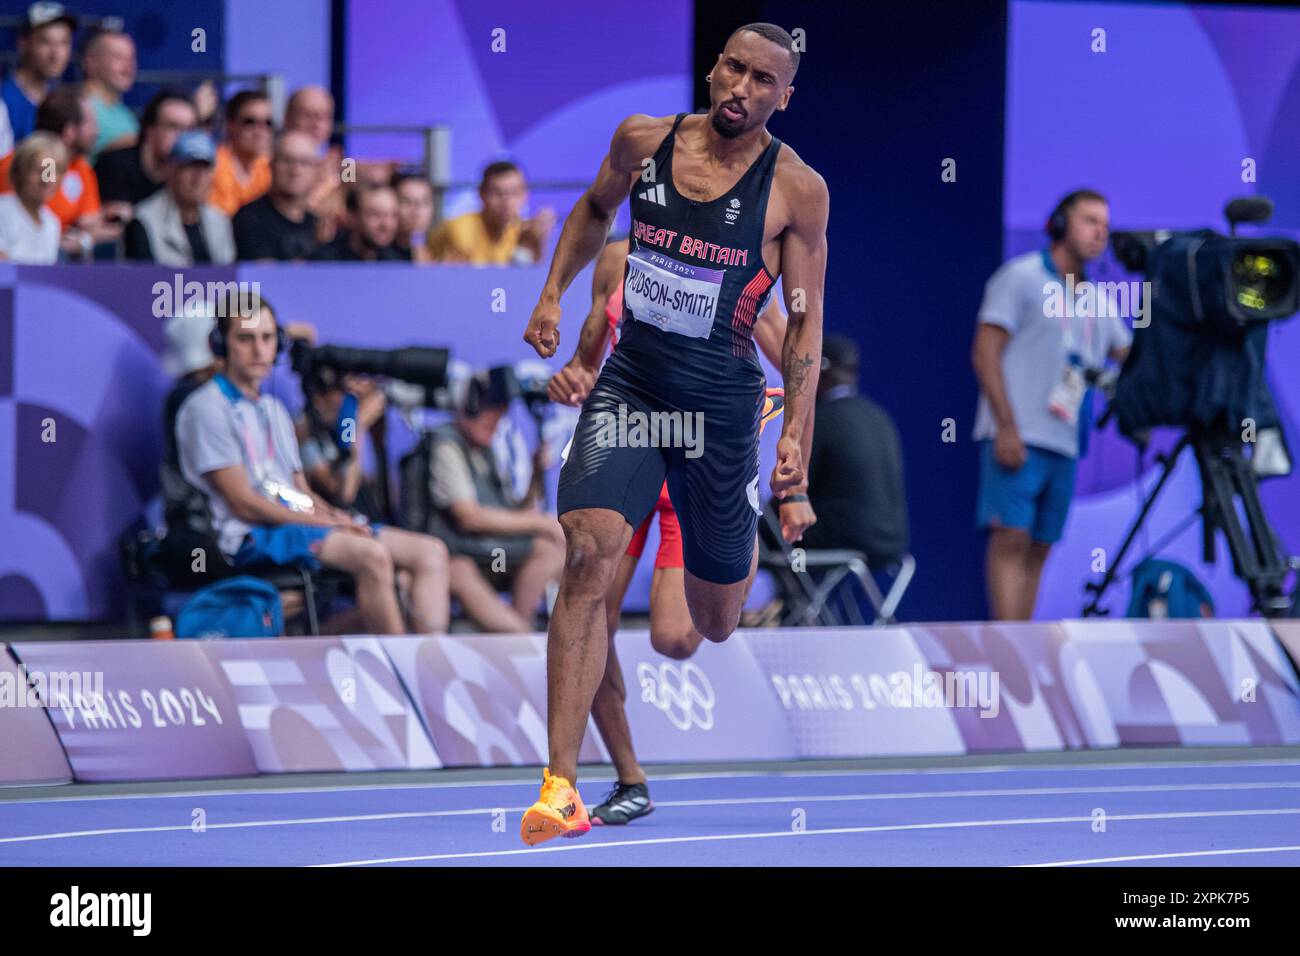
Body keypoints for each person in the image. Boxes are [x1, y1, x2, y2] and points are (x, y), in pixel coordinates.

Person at [518, 22, 827, 845]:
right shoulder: (643, 142)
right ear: (713, 65)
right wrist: (552, 294)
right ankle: (560, 787)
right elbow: (591, 209)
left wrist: (795, 427)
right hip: (634, 386)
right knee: (586, 552)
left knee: (710, 623)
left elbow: (802, 326)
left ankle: (737, 526)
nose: (742, 87)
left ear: (782, 96)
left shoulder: (796, 190)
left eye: (764, 80)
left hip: (722, 407)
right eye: (733, 68)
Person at [548, 237, 808, 824]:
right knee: (590, 612)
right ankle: (627, 778)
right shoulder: (616, 258)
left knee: (678, 637)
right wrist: (573, 375)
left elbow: (797, 369)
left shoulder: (737, 260)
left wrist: (795, 485)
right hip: (632, 449)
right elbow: (591, 358)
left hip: (697, 460)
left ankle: (739, 532)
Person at [176, 295, 454, 635]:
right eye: (245, 339)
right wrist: (322, 520)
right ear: (220, 345)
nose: (259, 350)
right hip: (248, 537)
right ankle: (404, 674)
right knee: (372, 555)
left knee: (430, 553)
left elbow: (296, 491)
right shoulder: (206, 408)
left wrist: (335, 517)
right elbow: (245, 503)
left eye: (267, 338)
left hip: (296, 524)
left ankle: (429, 666)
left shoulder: (274, 410)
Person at [971, 189, 1131, 620]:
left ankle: (1025, 643)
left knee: (1041, 544)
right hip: (1018, 433)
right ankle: (1007, 643)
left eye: (1105, 225)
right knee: (1012, 537)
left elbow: (1130, 358)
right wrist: (1006, 426)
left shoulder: (1099, 301)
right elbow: (985, 352)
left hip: (1065, 441)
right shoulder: (1020, 277)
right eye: (1089, 220)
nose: (1100, 232)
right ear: (1060, 224)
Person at [401, 385, 567, 634]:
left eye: (499, 413)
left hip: (493, 552)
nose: (496, 419)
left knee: (550, 549)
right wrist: (541, 522)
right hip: (456, 552)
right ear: (467, 410)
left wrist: (535, 473)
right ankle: (520, 638)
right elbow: (468, 518)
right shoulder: (446, 444)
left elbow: (511, 510)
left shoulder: (485, 448)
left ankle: (521, 629)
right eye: (489, 412)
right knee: (460, 571)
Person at [0, 86, 123, 256]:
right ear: (70, 131)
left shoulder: (81, 167)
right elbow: (37, 207)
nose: (97, 131)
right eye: (91, 124)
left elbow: (86, 221)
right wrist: (83, 239)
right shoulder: (44, 164)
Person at [124, 130, 234, 265]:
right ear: (171, 170)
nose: (199, 178)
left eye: (205, 168)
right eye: (190, 167)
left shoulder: (220, 220)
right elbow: (141, 281)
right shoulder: (144, 221)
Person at [427, 160, 555, 265]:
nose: (507, 202)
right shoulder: (459, 228)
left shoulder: (527, 233)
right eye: (498, 193)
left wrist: (537, 245)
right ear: (481, 193)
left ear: (525, 195)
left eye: (514, 193)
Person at [95, 88, 196, 208]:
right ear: (150, 129)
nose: (182, 137)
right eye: (173, 127)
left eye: (189, 130)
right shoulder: (115, 166)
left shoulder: (191, 173)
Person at [231, 130, 319, 261]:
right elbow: (268, 278)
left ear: (316, 170)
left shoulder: (317, 223)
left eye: (304, 162)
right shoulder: (249, 218)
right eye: (287, 160)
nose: (295, 170)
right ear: (271, 166)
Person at [1, 3, 76, 143]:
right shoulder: (4, 99)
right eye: (45, 42)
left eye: (64, 43)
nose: (55, 54)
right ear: (23, 44)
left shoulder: (63, 100)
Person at [0, 131, 64, 263]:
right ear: (19, 173)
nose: (46, 181)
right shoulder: (3, 212)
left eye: (52, 172)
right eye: (39, 171)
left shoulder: (52, 223)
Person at [208, 90, 272, 216]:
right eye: (250, 122)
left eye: (268, 123)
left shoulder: (271, 168)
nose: (260, 132)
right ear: (230, 125)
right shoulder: (211, 164)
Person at [80, 27, 138, 159]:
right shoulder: (76, 107)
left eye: (131, 58)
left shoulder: (126, 115)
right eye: (118, 58)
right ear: (91, 62)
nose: (128, 67)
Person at [309, 183, 405, 261]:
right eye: (375, 215)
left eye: (393, 215)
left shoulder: (395, 262)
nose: (386, 225)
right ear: (352, 217)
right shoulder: (325, 262)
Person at [393, 173, 434, 262]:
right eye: (407, 202)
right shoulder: (378, 256)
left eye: (425, 202)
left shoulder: (441, 250)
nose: (417, 212)